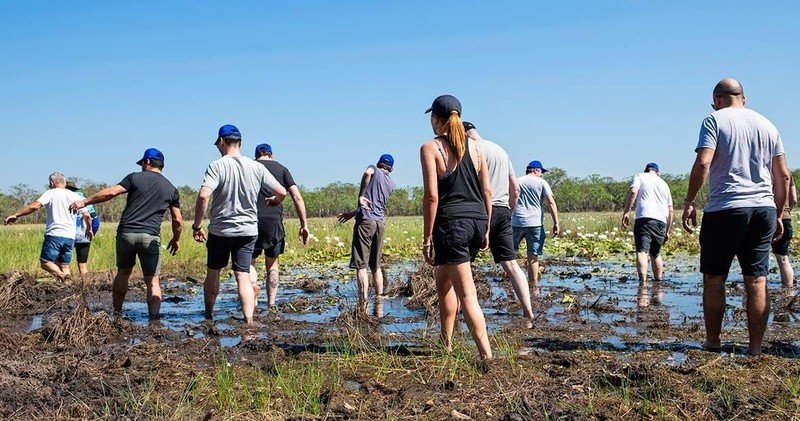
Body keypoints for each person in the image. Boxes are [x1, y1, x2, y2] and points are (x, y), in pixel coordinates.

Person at [681, 78, 790, 356]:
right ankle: (754, 348)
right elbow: (783, 176)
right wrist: (778, 213)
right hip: (763, 209)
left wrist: (690, 200)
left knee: (715, 277)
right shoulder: (767, 124)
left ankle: (713, 341)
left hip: (726, 208)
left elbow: (704, 162)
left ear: (717, 100)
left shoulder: (714, 120)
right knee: (757, 280)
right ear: (744, 97)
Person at [420, 94, 493, 360]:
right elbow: (487, 190)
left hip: (452, 226)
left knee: (468, 295)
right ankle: (446, 342)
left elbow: (431, 197)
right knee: (444, 281)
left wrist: (427, 237)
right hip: (476, 222)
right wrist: (485, 228)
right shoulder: (477, 148)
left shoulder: (431, 148)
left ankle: (487, 356)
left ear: (436, 119)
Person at [69, 148, 182, 318]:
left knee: (123, 273)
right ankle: (154, 318)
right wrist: (176, 239)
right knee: (152, 280)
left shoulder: (134, 178)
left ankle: (117, 313)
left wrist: (85, 201)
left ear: (148, 162)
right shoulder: (171, 188)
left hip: (126, 234)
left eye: (143, 163)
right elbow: (178, 220)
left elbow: (112, 192)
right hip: (150, 236)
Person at [193, 125, 286, 324]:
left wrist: (196, 225)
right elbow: (282, 192)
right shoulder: (256, 167)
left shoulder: (216, 166)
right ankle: (249, 321)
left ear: (221, 142)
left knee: (213, 272)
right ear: (241, 143)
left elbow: (203, 196)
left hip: (220, 230)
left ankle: (209, 314)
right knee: (243, 275)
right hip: (248, 230)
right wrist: (275, 201)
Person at [464, 122, 535, 326]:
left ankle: (464, 311)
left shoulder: (471, 149)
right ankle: (528, 311)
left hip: (479, 210)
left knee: (464, 263)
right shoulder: (501, 150)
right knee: (511, 264)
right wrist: (510, 211)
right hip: (503, 210)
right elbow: (516, 189)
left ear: (464, 133)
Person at [251, 143, 310, 309]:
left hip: (250, 220)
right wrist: (304, 224)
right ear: (272, 154)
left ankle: (253, 300)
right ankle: (271, 304)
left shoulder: (250, 167)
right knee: (272, 264)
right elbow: (297, 198)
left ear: (256, 155)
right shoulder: (282, 169)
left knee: (249, 262)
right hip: (273, 222)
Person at [337, 154, 397, 314]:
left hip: (365, 223)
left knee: (361, 265)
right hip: (379, 223)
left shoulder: (374, 169)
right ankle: (379, 302)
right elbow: (374, 204)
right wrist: (353, 213)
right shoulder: (391, 183)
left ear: (379, 163)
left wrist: (361, 196)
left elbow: (367, 173)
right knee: (376, 265)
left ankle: (362, 303)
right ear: (391, 168)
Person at [5, 172, 91, 281]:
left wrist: (16, 215)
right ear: (64, 183)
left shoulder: (50, 193)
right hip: (70, 237)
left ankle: (63, 276)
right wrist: (89, 230)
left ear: (51, 182)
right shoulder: (74, 195)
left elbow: (35, 206)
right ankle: (69, 291)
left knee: (45, 262)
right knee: (64, 265)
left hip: (55, 234)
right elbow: (87, 215)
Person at [511, 160, 560, 293]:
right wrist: (556, 222)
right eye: (541, 172)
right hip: (535, 224)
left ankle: (511, 278)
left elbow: (510, 198)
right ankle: (534, 287)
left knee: (510, 253)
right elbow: (550, 202)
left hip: (516, 222)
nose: (542, 175)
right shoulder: (542, 183)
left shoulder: (517, 181)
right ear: (536, 170)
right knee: (533, 256)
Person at [621, 163, 674, 284]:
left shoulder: (640, 176)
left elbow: (633, 191)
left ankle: (642, 282)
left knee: (642, 251)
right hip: (661, 221)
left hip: (644, 218)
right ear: (658, 172)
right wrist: (667, 231)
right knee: (655, 253)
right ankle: (658, 281)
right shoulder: (664, 184)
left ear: (646, 170)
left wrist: (626, 211)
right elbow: (670, 209)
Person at [66, 181, 101, 276]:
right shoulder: (85, 200)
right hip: (84, 236)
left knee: (63, 265)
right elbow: (95, 220)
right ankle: (85, 287)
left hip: (68, 236)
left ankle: (66, 286)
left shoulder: (64, 199)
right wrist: (91, 232)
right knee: (83, 265)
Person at [773, 175, 797, 289]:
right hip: (785, 218)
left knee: (754, 258)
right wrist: (786, 212)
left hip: (763, 217)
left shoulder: (763, 168)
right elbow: (794, 199)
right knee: (783, 258)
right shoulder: (787, 173)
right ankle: (788, 291)